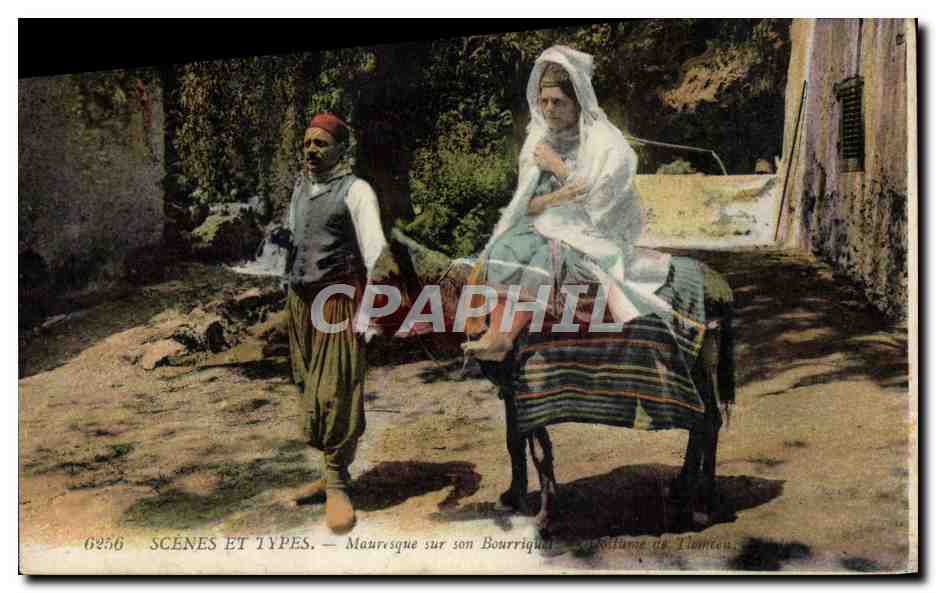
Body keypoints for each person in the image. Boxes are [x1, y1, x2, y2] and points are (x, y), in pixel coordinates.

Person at [462, 46, 674, 361]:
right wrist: (556, 193)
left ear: (577, 104)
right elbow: (529, 206)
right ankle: (496, 330)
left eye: (558, 102)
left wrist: (557, 167)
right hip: (550, 222)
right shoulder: (539, 140)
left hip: (595, 229)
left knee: (549, 254)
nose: (549, 110)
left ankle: (505, 336)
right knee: (504, 247)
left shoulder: (604, 143)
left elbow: (599, 202)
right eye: (544, 102)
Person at [282, 112, 397, 534]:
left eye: (321, 144)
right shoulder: (300, 190)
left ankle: (337, 487)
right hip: (299, 301)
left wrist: (372, 312)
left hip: (336, 303)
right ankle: (331, 475)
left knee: (335, 390)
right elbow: (295, 239)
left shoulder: (357, 191)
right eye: (307, 143)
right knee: (308, 386)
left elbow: (376, 254)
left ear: (341, 150)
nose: (311, 150)